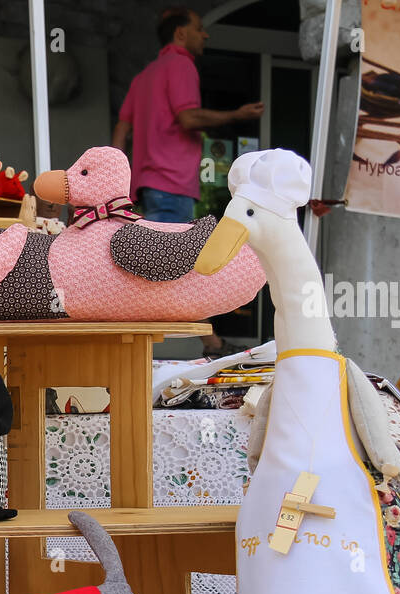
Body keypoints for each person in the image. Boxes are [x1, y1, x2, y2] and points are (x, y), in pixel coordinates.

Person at [112, 7, 263, 352]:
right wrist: (236, 115)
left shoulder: (144, 76)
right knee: (171, 269)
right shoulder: (181, 65)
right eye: (199, 28)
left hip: (148, 185)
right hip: (171, 184)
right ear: (180, 34)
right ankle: (204, 344)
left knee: (152, 263)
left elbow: (122, 128)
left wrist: (118, 179)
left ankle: (204, 340)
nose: (205, 34)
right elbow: (189, 117)